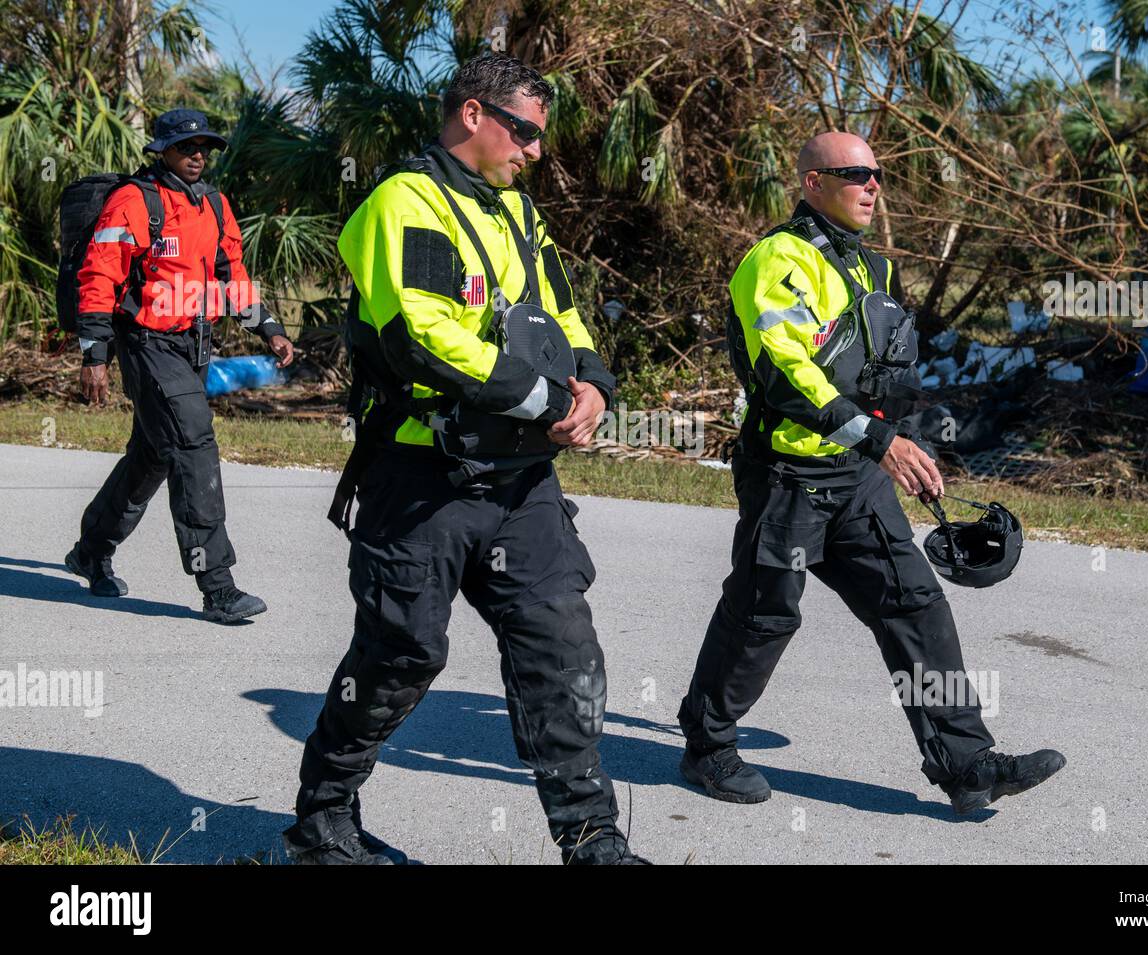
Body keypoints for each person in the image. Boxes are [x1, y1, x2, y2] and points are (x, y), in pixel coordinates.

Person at [282, 53, 646, 864]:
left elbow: (563, 312)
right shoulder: (406, 201)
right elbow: (425, 335)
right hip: (421, 481)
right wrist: (547, 401)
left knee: (561, 649)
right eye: (524, 131)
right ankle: (324, 816)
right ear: (474, 114)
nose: (535, 151)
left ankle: (593, 840)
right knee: (401, 651)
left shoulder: (519, 213)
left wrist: (593, 382)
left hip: (521, 483)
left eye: (541, 137)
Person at [677, 131, 1065, 814]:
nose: (872, 185)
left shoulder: (874, 271)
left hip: (858, 478)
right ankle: (707, 745)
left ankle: (966, 762)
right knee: (764, 613)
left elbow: (885, 379)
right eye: (854, 173)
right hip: (789, 477)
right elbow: (785, 377)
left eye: (877, 174)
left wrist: (906, 445)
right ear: (812, 183)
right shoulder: (777, 260)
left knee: (914, 606)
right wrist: (879, 438)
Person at [66, 108, 294, 623]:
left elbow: (231, 273)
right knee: (193, 444)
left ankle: (90, 550)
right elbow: (99, 274)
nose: (197, 156)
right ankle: (217, 585)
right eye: (186, 148)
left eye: (204, 149)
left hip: (194, 344)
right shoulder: (135, 201)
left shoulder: (213, 203)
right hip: (147, 345)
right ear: (163, 150)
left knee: (154, 455)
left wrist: (270, 327)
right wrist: (94, 353)